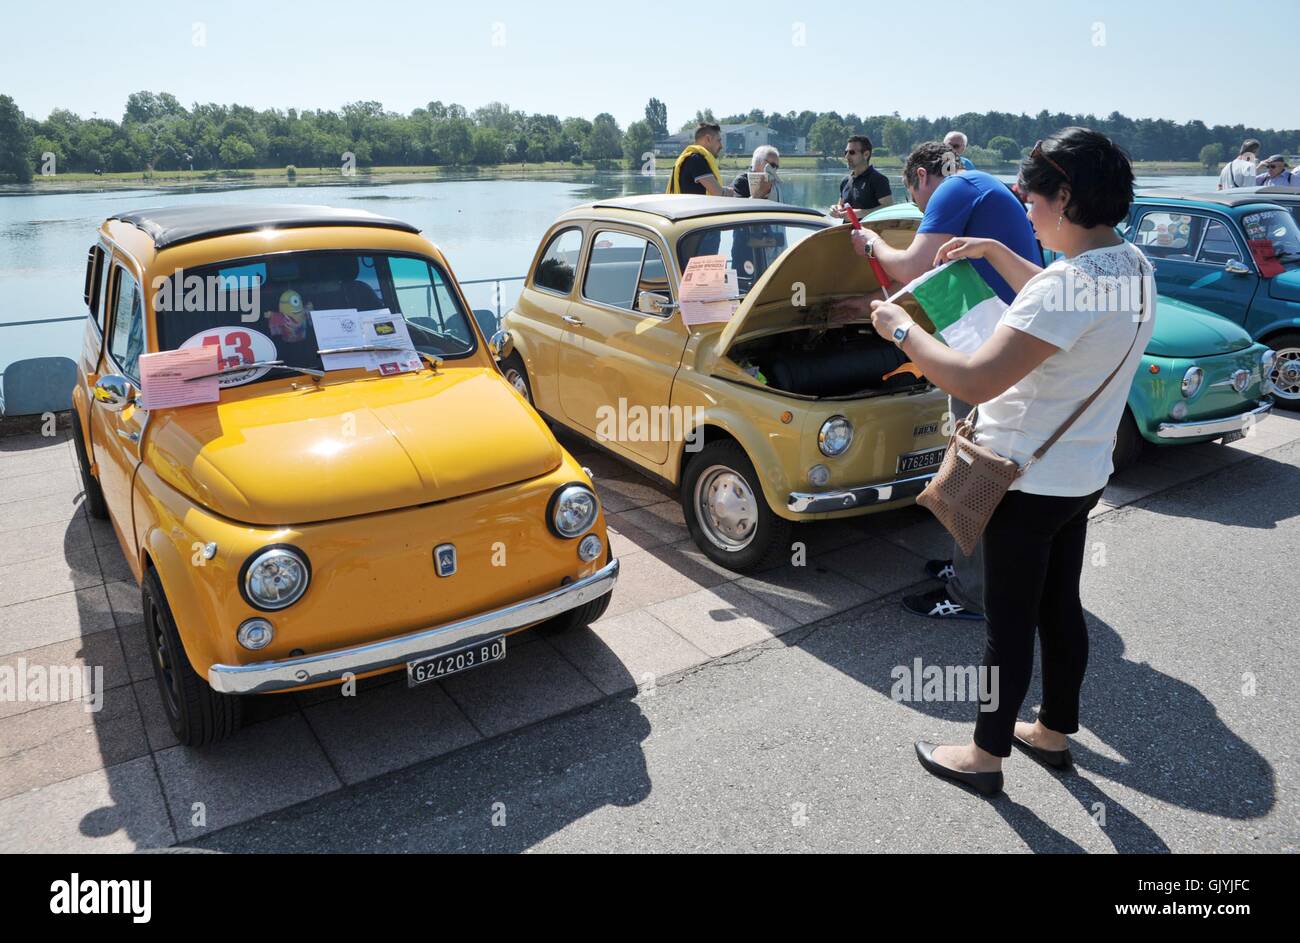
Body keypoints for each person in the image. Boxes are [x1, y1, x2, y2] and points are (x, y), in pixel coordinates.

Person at [844, 127, 1154, 796]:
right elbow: (1058, 292)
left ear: (1065, 197)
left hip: (1022, 479)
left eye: (1031, 195)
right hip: (1081, 476)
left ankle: (984, 756)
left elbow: (976, 378)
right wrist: (992, 251)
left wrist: (903, 328)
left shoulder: (1066, 286)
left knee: (1009, 625)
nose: (1024, 204)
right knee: (1059, 607)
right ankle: (1053, 730)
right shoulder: (1132, 268)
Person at [842, 141, 1040, 623]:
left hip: (990, 349)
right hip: (1001, 340)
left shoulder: (954, 188)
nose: (920, 212)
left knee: (975, 468)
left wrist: (869, 241)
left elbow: (911, 265)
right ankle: (964, 567)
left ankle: (971, 593)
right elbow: (930, 279)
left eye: (916, 201)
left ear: (922, 177)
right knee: (971, 461)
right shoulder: (981, 187)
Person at [667, 123, 771, 198]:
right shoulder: (696, 159)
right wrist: (731, 192)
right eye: (719, 140)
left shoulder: (689, 158)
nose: (721, 146)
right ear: (708, 139)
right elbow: (718, 193)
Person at [829, 135, 893, 219]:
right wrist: (834, 209)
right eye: (846, 152)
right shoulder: (845, 181)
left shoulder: (879, 180)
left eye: (852, 152)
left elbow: (888, 209)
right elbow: (840, 205)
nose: (847, 156)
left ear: (866, 154)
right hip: (847, 231)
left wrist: (861, 213)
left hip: (871, 231)